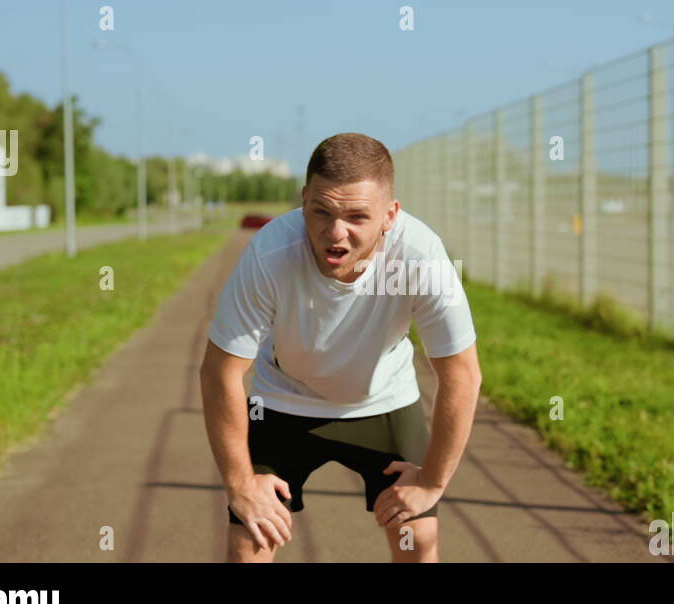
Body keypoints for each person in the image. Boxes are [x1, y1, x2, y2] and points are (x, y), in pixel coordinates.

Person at [199, 132, 482, 562]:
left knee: (417, 537)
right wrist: (240, 485)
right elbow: (220, 370)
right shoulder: (269, 254)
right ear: (303, 200)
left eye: (356, 217)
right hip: (282, 401)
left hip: (383, 401)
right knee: (250, 542)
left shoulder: (421, 256)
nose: (336, 233)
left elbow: (462, 372)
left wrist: (431, 483)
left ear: (390, 215)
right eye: (321, 211)